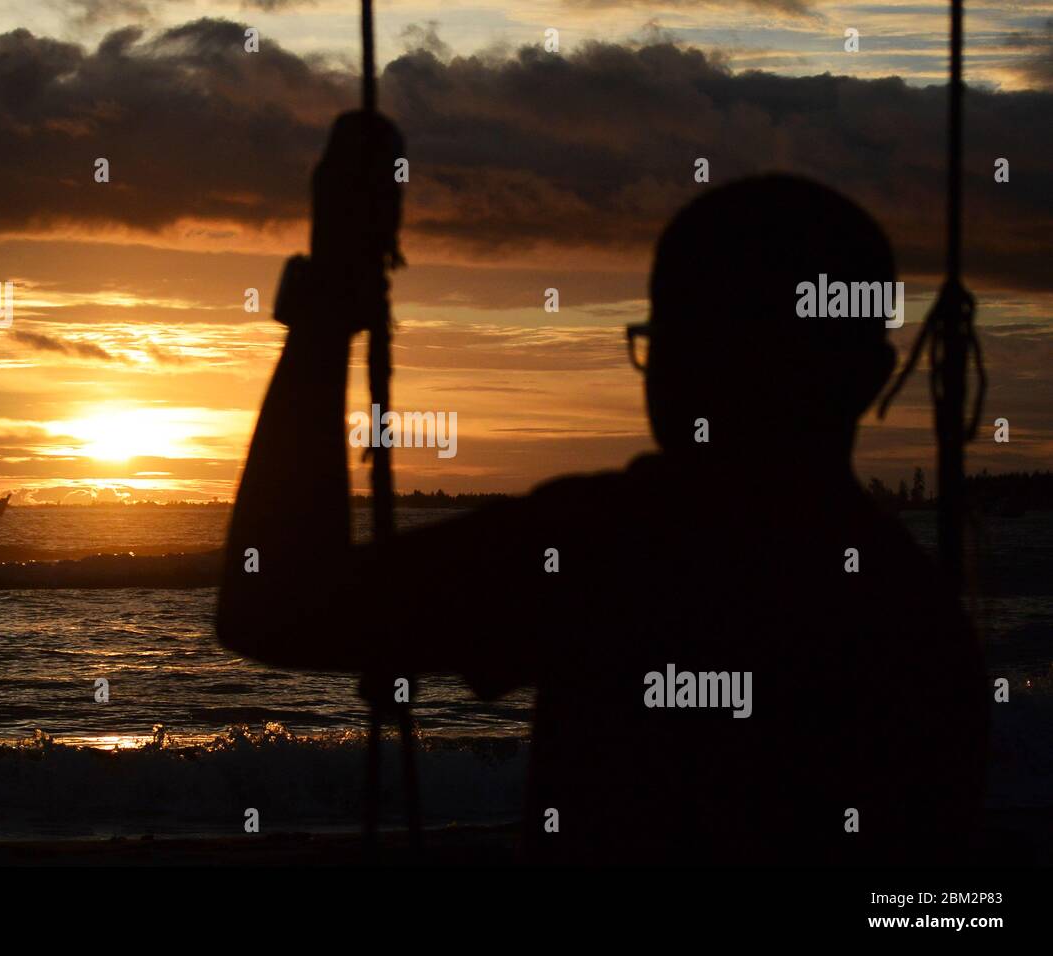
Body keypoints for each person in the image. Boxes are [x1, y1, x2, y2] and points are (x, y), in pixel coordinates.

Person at [216, 111, 987, 864]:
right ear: (867, 379)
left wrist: (324, 313)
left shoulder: (609, 547)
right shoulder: (916, 613)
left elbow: (274, 606)